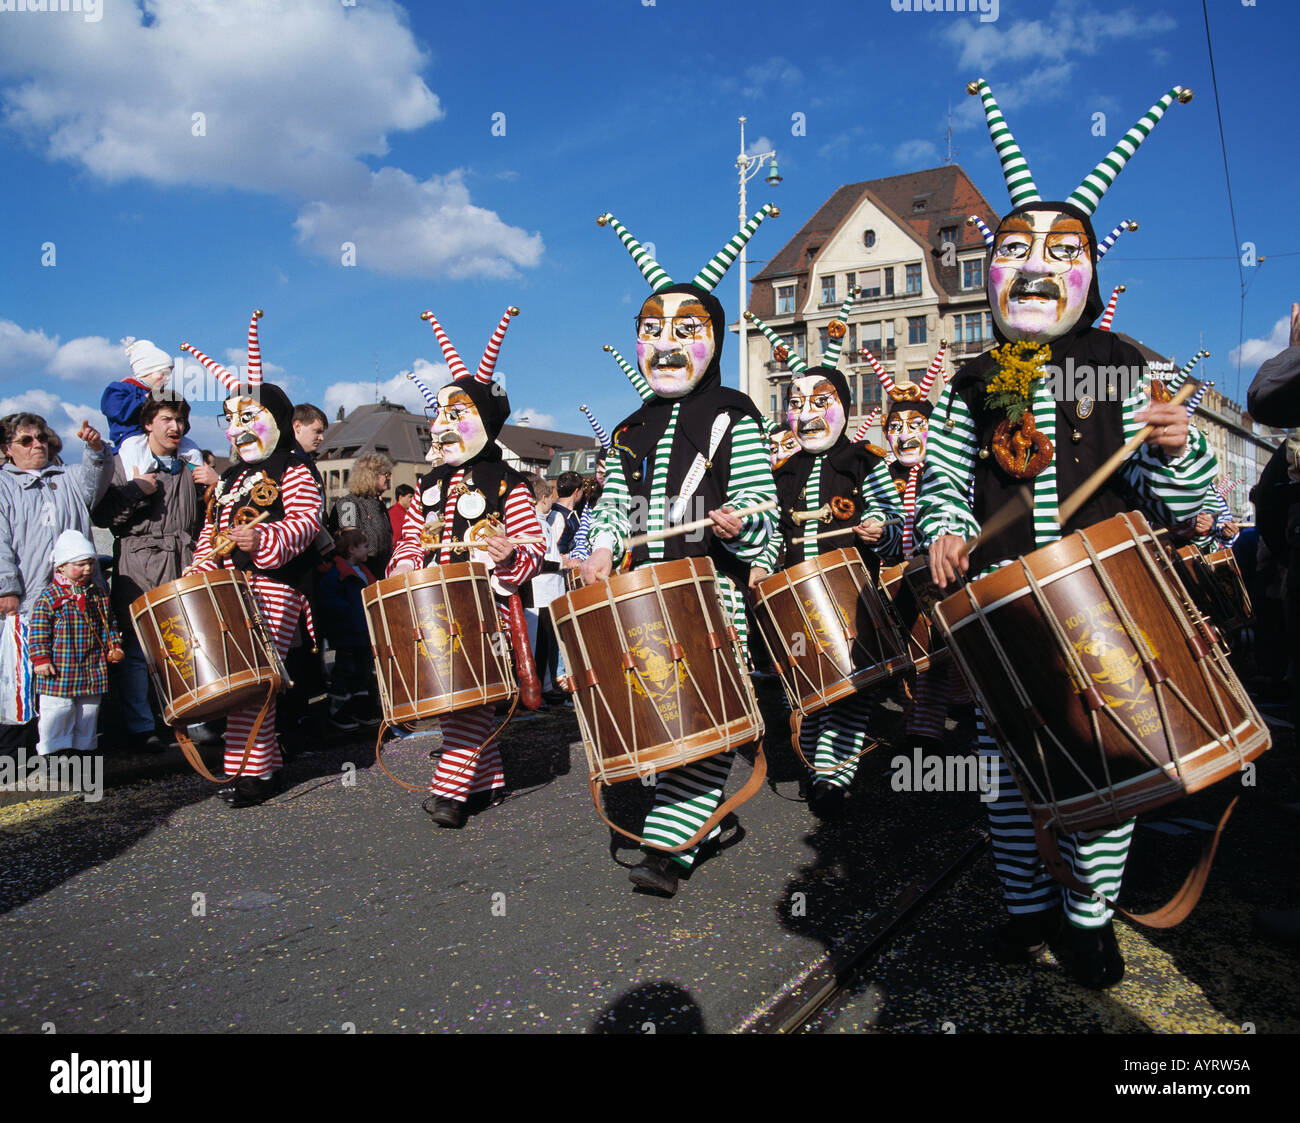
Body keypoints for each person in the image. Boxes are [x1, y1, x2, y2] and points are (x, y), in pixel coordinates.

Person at [918, 80, 1212, 989]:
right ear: (993, 268)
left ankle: (1087, 918)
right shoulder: (974, 380)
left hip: (1103, 603)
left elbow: (1178, 492)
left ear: (1086, 271)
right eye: (1016, 249)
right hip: (1001, 603)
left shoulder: (1127, 366)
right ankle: (1027, 907)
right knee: (1001, 774)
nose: (1037, 266)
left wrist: (1179, 443)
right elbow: (943, 482)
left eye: (1061, 251)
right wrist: (944, 528)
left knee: (1103, 769)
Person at [582, 206, 780, 896]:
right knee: (661, 714)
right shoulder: (629, 427)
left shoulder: (733, 412)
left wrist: (741, 528)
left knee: (698, 717)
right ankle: (705, 821)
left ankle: (671, 846)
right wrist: (599, 547)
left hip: (708, 587)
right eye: (651, 329)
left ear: (714, 340)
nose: (665, 343)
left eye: (686, 330)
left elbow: (764, 509)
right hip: (645, 587)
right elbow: (610, 506)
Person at [743, 298, 902, 817]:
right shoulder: (781, 472)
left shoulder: (865, 460)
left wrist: (881, 529)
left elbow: (895, 518)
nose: (807, 412)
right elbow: (771, 529)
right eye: (797, 402)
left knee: (850, 690)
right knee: (805, 689)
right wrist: (762, 562)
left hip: (850, 593)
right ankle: (819, 767)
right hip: (794, 596)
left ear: (844, 406)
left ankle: (838, 775)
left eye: (821, 400)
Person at [389, 307, 543, 828]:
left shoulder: (509, 482)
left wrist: (510, 554)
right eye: (442, 414)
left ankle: (450, 792)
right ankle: (490, 783)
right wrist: (403, 569)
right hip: (434, 603)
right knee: (456, 699)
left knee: (469, 697)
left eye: (458, 414)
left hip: (484, 604)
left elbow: (532, 544)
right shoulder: (429, 485)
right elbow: (409, 541)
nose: (443, 425)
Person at [179, 310, 323, 807]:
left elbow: (306, 523)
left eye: (248, 416)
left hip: (274, 584)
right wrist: (199, 569)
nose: (238, 428)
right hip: (228, 587)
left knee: (254, 682)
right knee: (239, 683)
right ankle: (266, 765)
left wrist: (259, 540)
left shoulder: (295, 467)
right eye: (233, 418)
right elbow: (211, 532)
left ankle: (252, 774)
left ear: (276, 421)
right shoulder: (234, 477)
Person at [92, 393, 218, 752]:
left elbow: (215, 516)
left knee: (190, 643)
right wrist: (135, 490)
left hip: (185, 560)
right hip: (139, 563)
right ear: (148, 423)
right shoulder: (124, 461)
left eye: (179, 420)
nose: (175, 427)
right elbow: (102, 517)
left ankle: (195, 718)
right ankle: (141, 726)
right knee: (137, 649)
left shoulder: (192, 463)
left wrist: (215, 484)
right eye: (166, 419)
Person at [0, 413, 111, 759]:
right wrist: (7, 587)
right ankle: (18, 754)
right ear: (7, 449)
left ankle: (71, 752)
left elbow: (97, 483)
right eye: (26, 440)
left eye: (42, 438)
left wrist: (94, 450)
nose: (38, 445)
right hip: (30, 597)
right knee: (25, 677)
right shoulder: (3, 486)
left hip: (76, 601)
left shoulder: (67, 477)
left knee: (71, 678)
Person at [29, 530, 123, 758]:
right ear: (61, 567)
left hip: (91, 664)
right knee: (57, 710)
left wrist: (114, 644)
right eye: (80, 565)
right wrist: (40, 659)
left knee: (88, 710)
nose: (88, 569)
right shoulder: (49, 597)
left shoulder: (97, 594)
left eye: (90, 563)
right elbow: (39, 631)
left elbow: (108, 622)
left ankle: (83, 750)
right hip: (60, 668)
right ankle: (54, 753)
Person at [104, 337, 204, 476]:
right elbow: (115, 410)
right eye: (163, 374)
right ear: (146, 371)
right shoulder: (120, 389)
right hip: (131, 435)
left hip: (156, 436)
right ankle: (136, 480)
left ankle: (198, 474)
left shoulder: (161, 396)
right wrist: (143, 400)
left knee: (190, 447)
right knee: (134, 452)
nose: (167, 379)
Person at [319, 528, 377, 731]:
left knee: (363, 670)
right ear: (352, 549)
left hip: (362, 631)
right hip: (347, 632)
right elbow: (329, 601)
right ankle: (338, 710)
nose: (368, 550)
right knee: (345, 670)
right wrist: (348, 613)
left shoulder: (360, 571)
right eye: (365, 546)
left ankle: (359, 709)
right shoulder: (336, 574)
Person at [330, 453, 394, 576]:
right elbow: (349, 544)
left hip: (380, 573)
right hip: (360, 575)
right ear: (371, 476)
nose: (389, 478)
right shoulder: (348, 503)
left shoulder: (379, 505)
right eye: (386, 474)